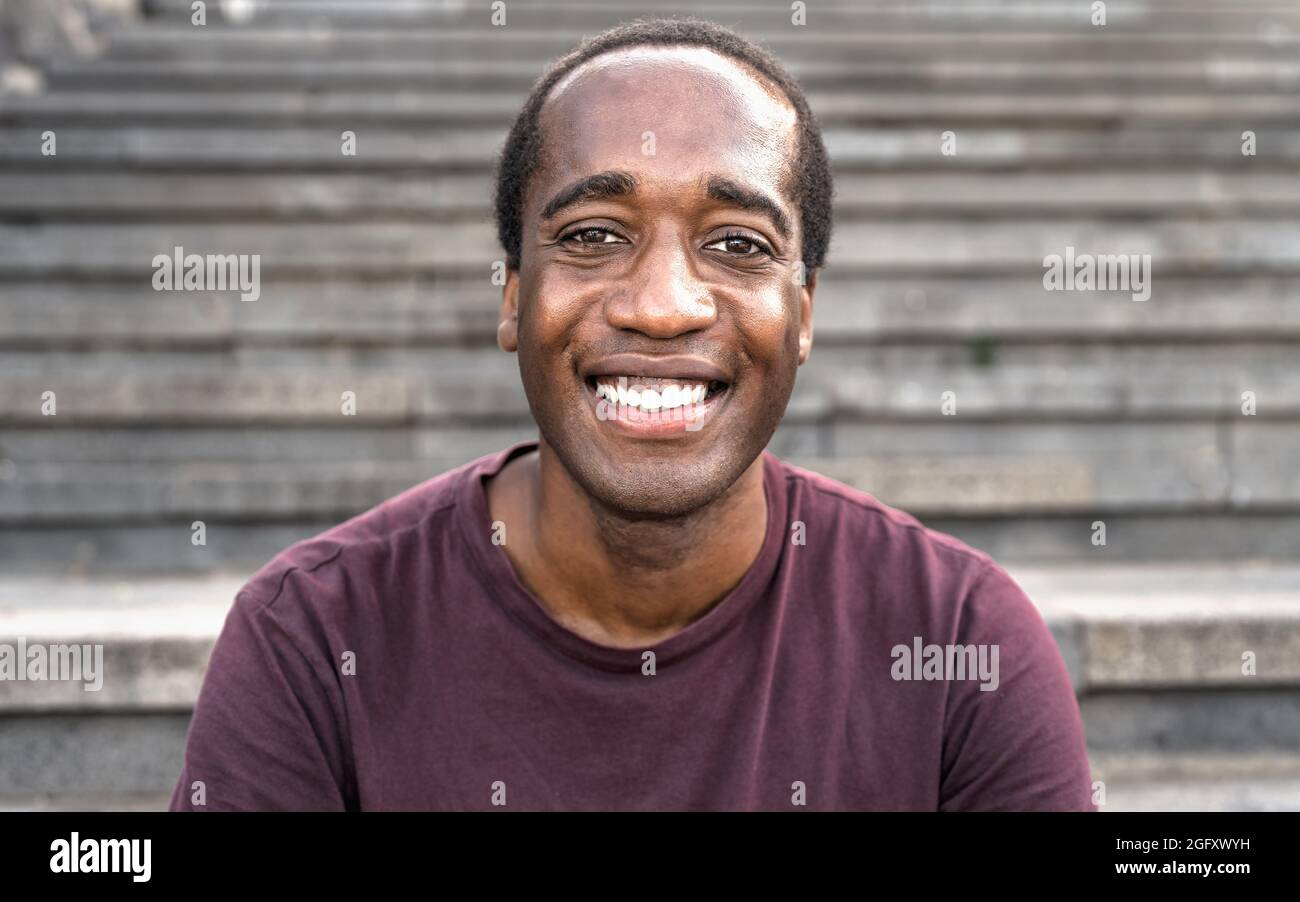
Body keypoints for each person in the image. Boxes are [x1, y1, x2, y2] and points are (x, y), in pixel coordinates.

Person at [169, 16, 1095, 811]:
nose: (661, 305)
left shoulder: (961, 646)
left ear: (804, 314)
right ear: (512, 297)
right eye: (593, 236)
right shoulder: (313, 641)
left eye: (737, 245)